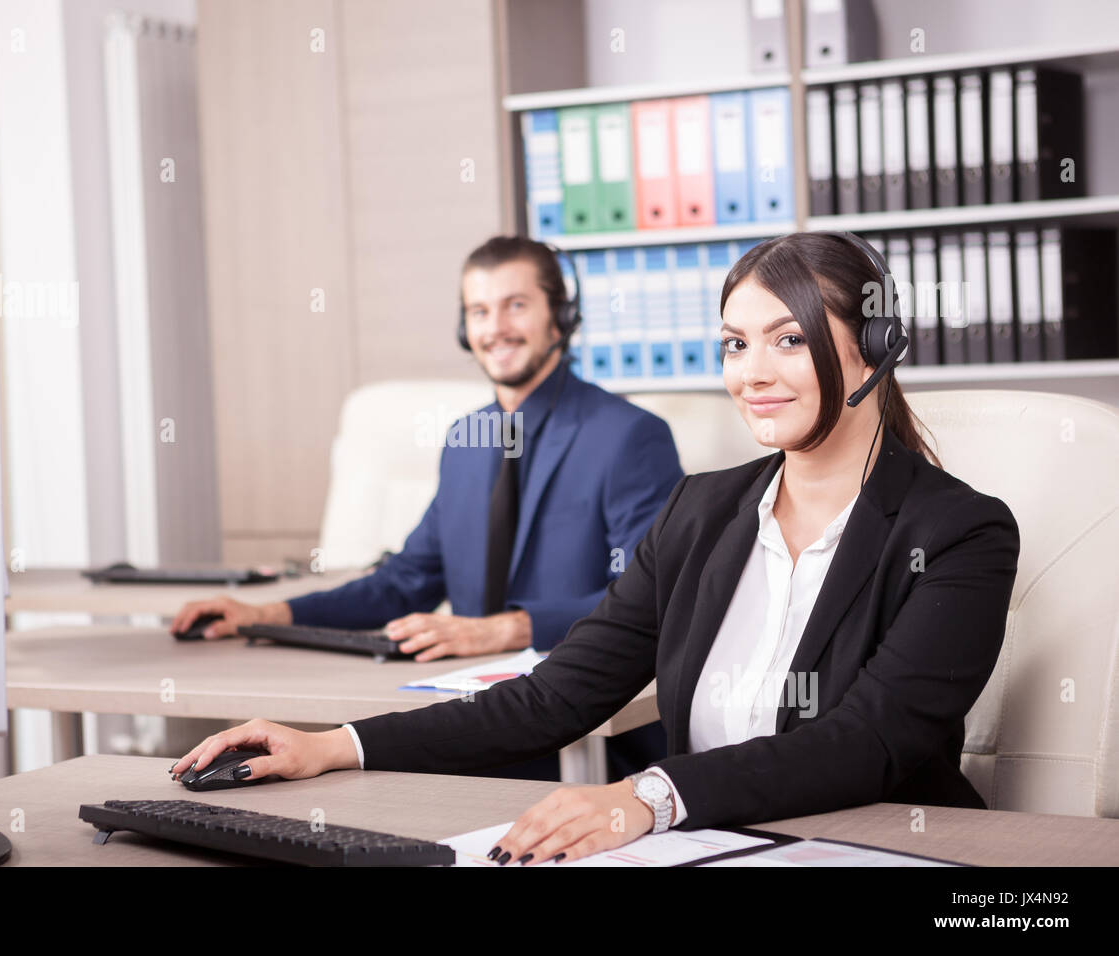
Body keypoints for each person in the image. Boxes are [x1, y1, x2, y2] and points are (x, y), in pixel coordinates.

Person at [170, 231, 1020, 864]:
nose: (750, 373)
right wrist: (332, 746)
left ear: (873, 347)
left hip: (876, 848)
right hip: (705, 844)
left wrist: (649, 797)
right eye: (734, 342)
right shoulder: (703, 512)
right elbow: (554, 699)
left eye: (787, 339)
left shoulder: (958, 533)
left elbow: (870, 741)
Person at [172, 235, 683, 781]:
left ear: (560, 314)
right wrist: (265, 615)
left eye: (516, 305)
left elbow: (651, 598)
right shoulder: (467, 440)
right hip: (473, 719)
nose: (495, 328)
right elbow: (405, 580)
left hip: (590, 738)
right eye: (479, 311)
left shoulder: (629, 436)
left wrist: (505, 629)